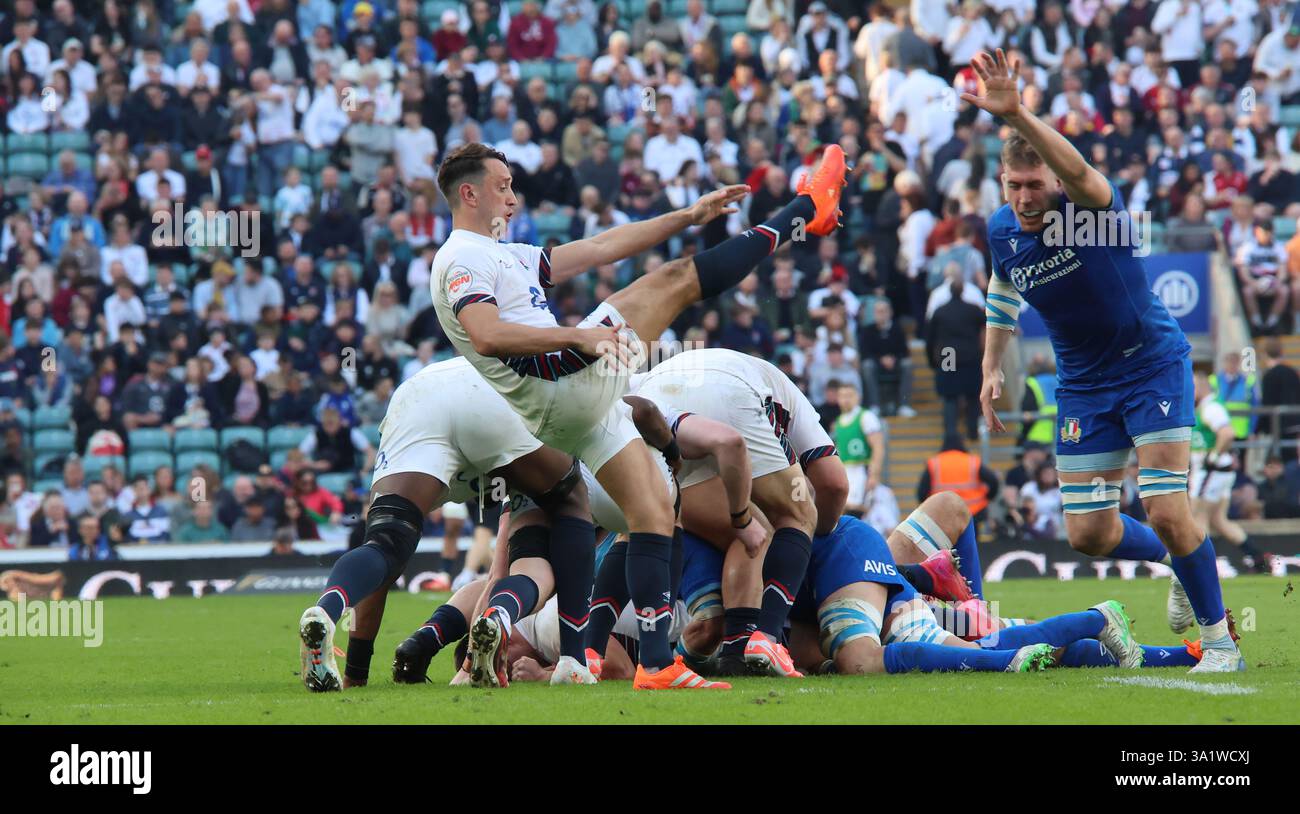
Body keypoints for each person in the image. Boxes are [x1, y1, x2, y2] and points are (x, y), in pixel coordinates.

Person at [428, 141, 847, 689]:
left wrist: (688, 215)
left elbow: (602, 246)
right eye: (502, 186)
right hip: (566, 378)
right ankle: (805, 209)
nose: (511, 196)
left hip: (574, 408)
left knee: (657, 509)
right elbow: (485, 334)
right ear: (469, 192)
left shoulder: (505, 254)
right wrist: (578, 334)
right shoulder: (461, 257)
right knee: (676, 281)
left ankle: (654, 665)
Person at [970, 48, 1242, 672]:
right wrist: (990, 364)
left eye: (1035, 184)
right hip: (1085, 386)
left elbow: (1082, 168)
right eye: (1013, 185)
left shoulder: (1092, 211)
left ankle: (1220, 643)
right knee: (1088, 534)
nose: (1024, 196)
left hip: (1150, 366)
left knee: (1167, 510)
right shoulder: (1002, 230)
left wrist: (1019, 114)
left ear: (1057, 182)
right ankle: (1177, 559)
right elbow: (1002, 290)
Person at [1189, 370, 1270, 573]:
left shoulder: (1211, 408)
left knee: (1198, 518)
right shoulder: (1207, 407)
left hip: (1211, 471)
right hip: (1219, 471)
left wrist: (1212, 458)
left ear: (1200, 387)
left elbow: (1227, 433)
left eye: (1191, 386)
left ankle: (1202, 568)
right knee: (1219, 520)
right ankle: (1258, 558)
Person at [831, 382, 885, 518]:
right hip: (845, 470)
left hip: (861, 469)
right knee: (841, 511)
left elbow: (878, 447)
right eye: (842, 396)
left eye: (849, 396)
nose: (846, 399)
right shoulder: (838, 422)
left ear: (858, 397)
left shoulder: (866, 417)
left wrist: (874, 474)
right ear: (837, 399)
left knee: (858, 512)